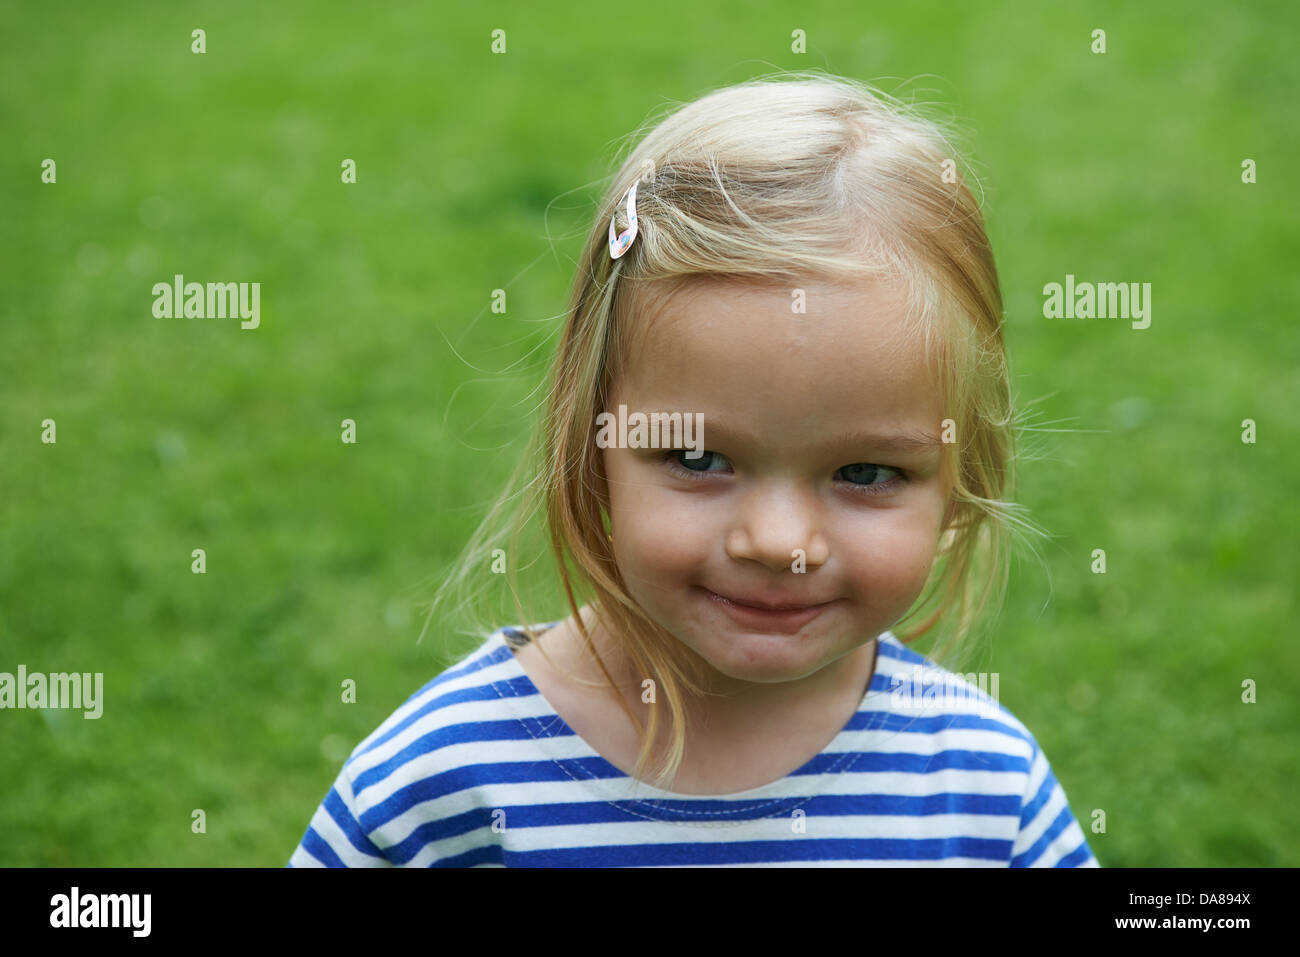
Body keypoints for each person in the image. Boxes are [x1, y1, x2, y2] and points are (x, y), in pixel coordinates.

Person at [289, 71, 1098, 867]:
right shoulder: (443, 787)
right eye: (700, 457)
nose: (779, 541)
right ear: (592, 437)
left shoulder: (984, 789)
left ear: (963, 473)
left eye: (866, 473)